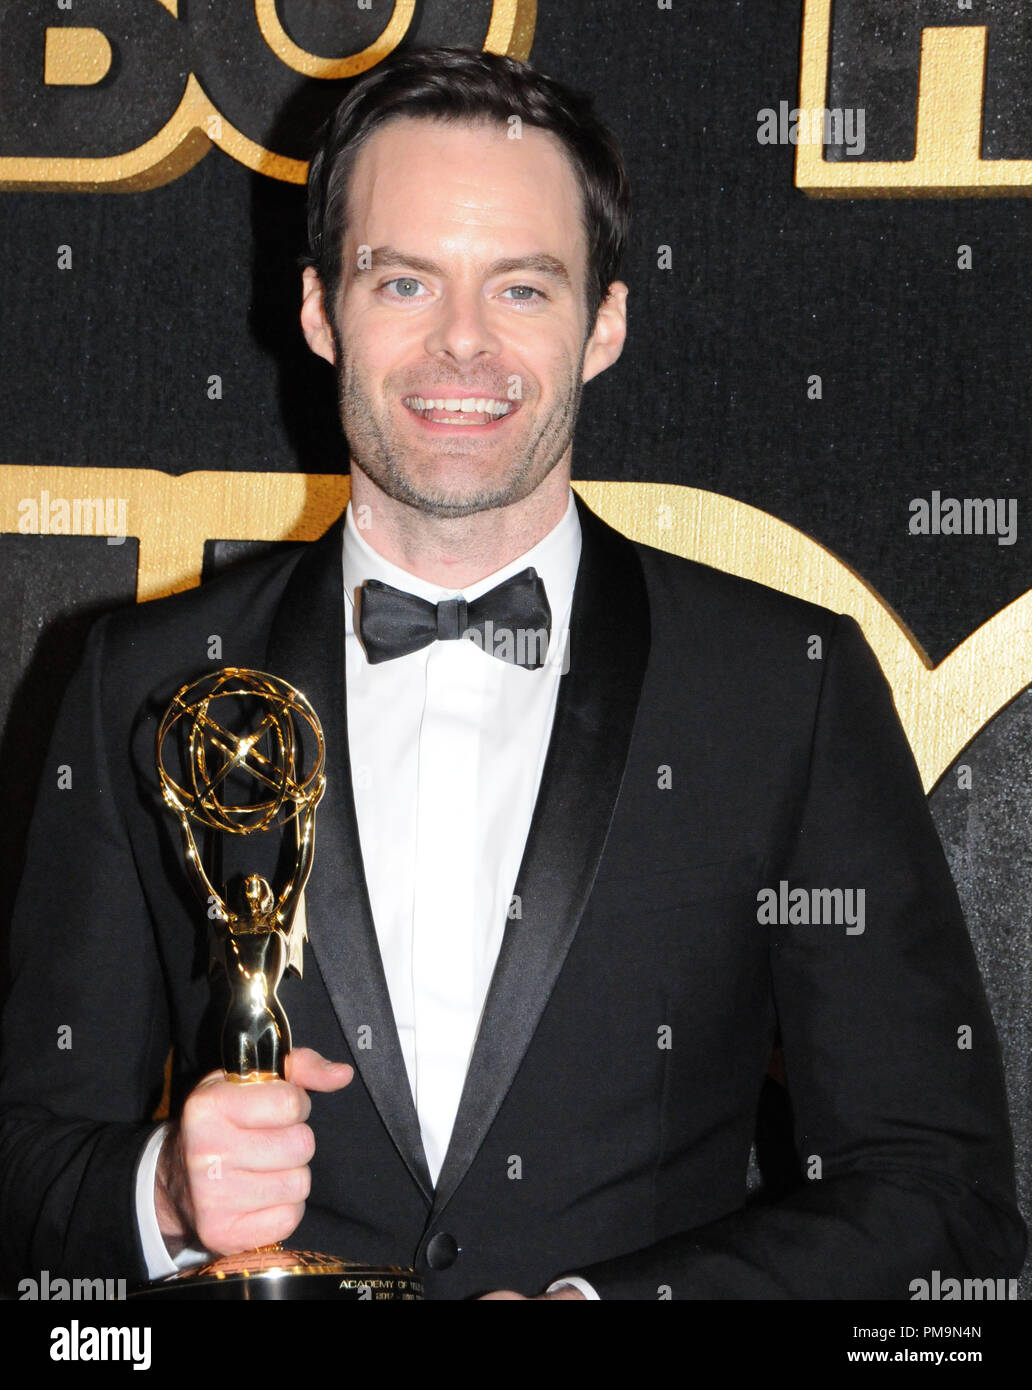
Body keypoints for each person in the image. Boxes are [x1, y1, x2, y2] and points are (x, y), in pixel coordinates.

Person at [0, 46, 1024, 1302]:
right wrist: (162, 1189)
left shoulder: (784, 690)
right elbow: (27, 1162)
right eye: (406, 281)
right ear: (321, 307)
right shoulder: (142, 683)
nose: (463, 346)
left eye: (524, 289)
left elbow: (941, 1193)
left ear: (606, 322)